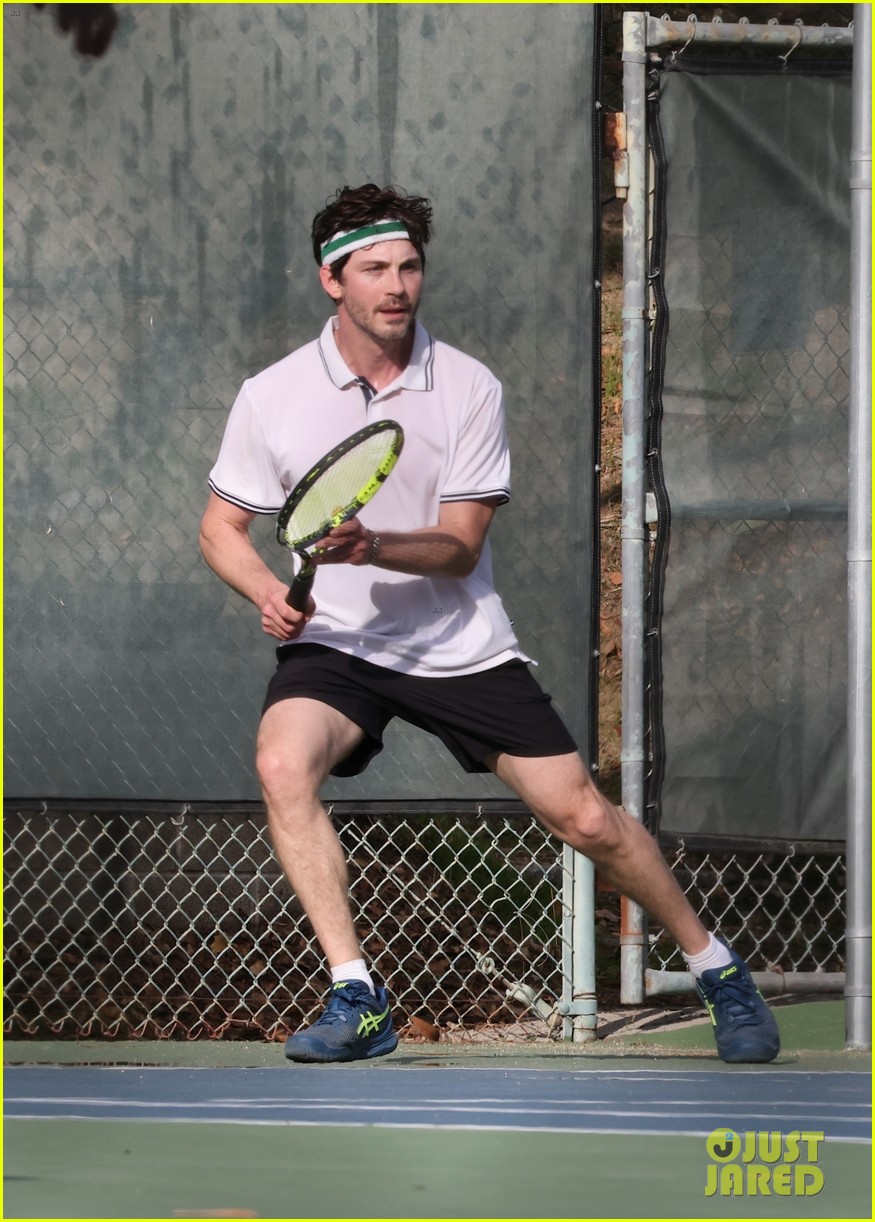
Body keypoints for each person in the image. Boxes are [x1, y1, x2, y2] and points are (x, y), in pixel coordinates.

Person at [199, 183, 780, 1066]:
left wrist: (371, 546)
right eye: (374, 269)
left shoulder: (467, 385)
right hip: (338, 647)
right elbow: (221, 528)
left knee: (585, 820)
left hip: (457, 645)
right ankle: (356, 995)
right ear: (331, 280)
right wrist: (264, 593)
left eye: (409, 267)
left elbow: (460, 547)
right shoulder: (271, 393)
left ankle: (716, 969)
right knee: (282, 764)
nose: (397, 286)